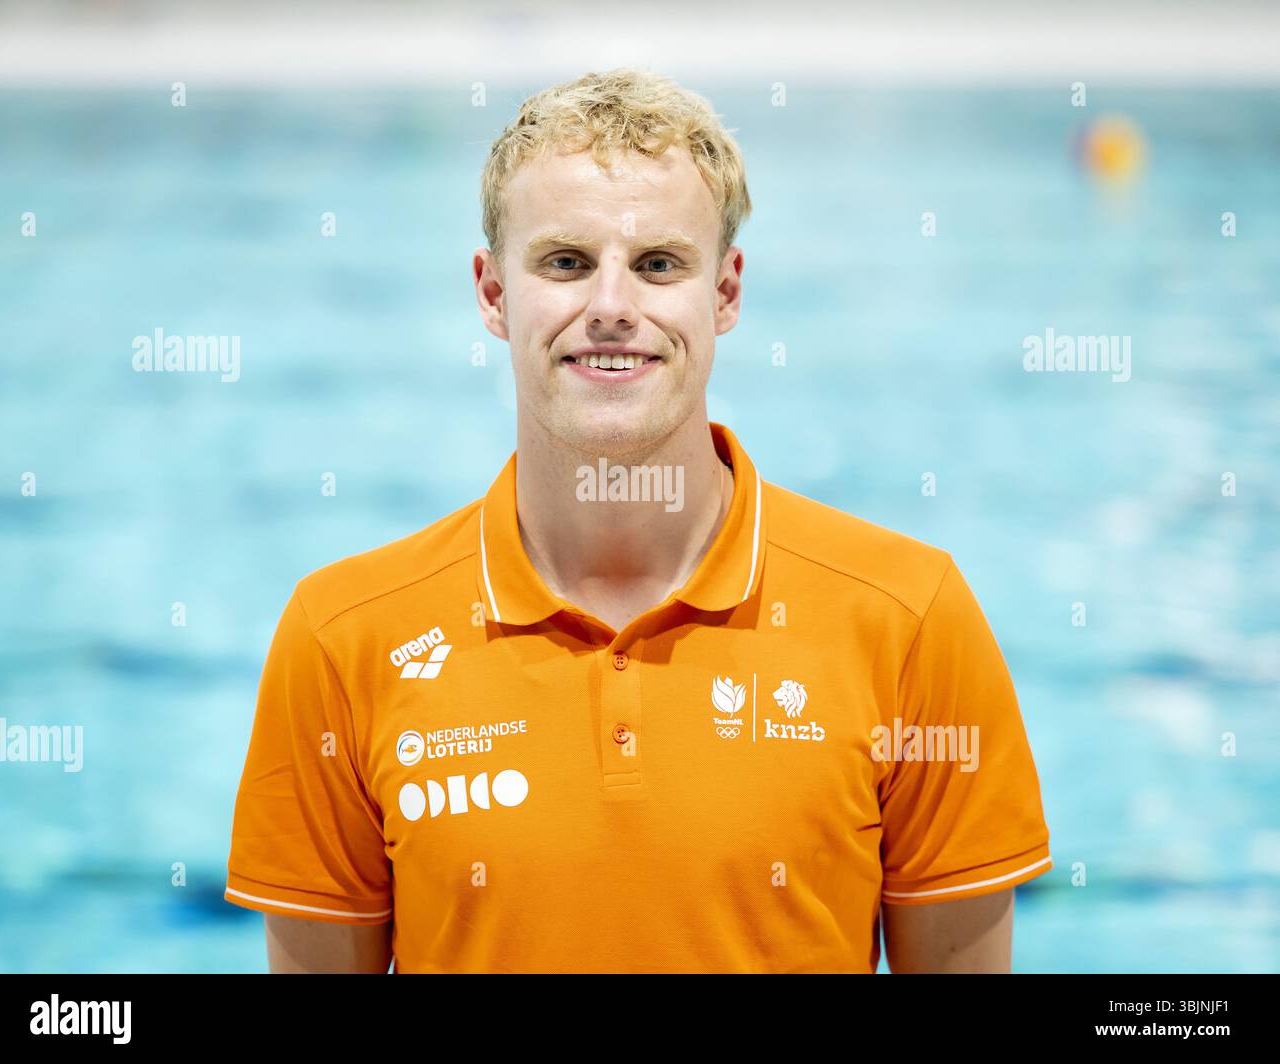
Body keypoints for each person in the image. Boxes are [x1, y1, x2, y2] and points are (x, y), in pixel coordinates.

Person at [224, 67, 1051, 974]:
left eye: (658, 264)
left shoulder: (907, 618)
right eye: (566, 263)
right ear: (493, 293)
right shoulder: (344, 638)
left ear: (725, 293)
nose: (612, 308)